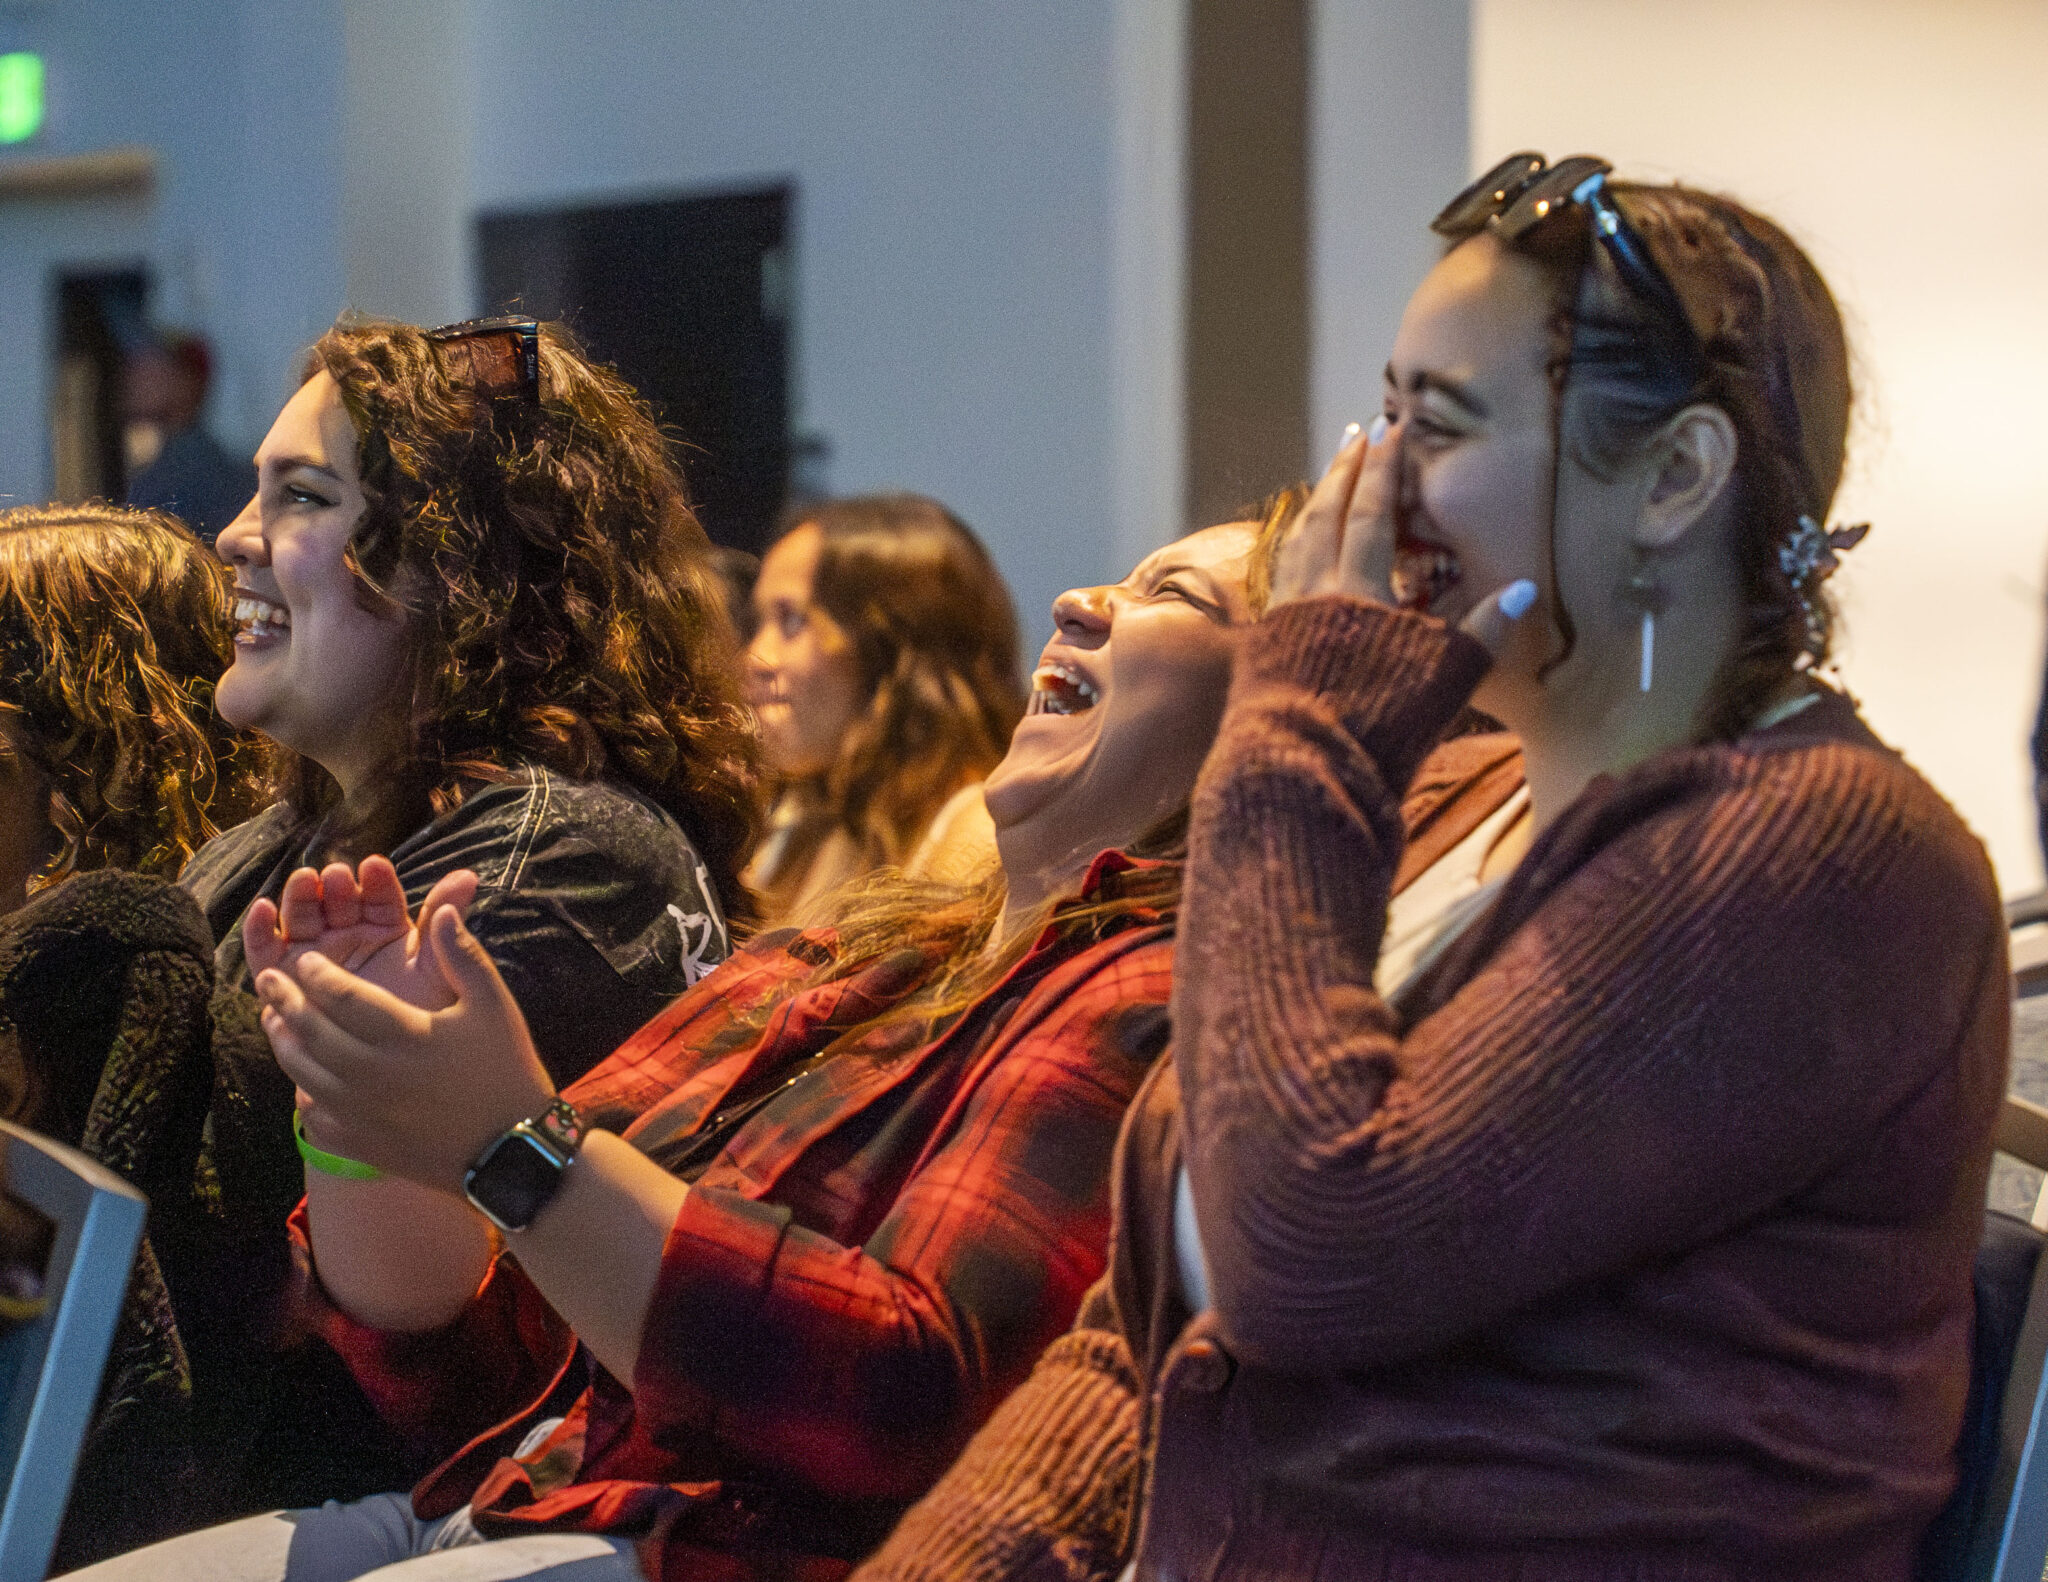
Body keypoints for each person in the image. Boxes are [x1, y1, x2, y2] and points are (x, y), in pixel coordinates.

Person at [856, 157, 2008, 1581]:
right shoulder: (1453, 804)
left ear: (1673, 479)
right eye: (1384, 413)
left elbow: (1307, 1248)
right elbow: (1146, 1338)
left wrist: (1304, 715)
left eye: (1440, 427)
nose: (1366, 487)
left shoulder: (1823, 859)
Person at [65, 498, 1428, 1582]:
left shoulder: (1157, 985)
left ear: (1286, 714)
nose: (1079, 596)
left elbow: (897, 1393)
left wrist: (508, 1141)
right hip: (493, 1504)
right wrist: (363, 1106)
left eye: (1171, 592)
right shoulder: (845, 950)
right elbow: (468, 1361)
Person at [139, 314, 758, 1548]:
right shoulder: (289, 835)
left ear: (458, 566)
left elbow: (249, 1254)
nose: (234, 535)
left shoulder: (560, 859)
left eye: (302, 496)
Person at [742, 494, 1024, 920]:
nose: (754, 657)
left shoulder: (978, 841)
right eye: (759, 622)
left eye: (793, 619)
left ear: (891, 645)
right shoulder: (810, 829)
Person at [125, 331, 258, 545]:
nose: (133, 376)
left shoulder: (190, 468)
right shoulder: (172, 459)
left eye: (157, 368)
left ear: (187, 381)